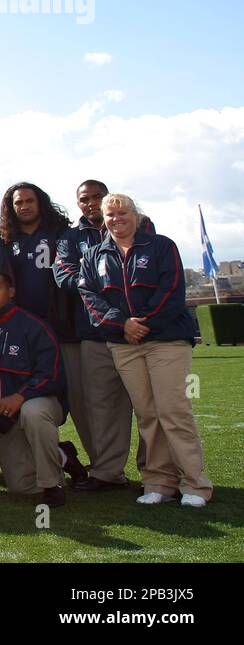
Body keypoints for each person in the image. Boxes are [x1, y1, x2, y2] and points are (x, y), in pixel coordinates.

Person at [79, 193, 212, 507]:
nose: (117, 219)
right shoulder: (94, 255)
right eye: (110, 214)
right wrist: (123, 324)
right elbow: (90, 297)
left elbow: (172, 290)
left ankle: (195, 484)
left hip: (166, 341)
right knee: (148, 415)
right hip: (125, 344)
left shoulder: (161, 246)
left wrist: (144, 323)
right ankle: (158, 482)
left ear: (135, 216)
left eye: (123, 212)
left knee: (173, 411)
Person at [0, 182, 87, 480]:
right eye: (17, 202)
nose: (23, 206)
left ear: (40, 202)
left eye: (29, 200)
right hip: (23, 335)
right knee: (25, 398)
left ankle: (102, 466)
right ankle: (59, 455)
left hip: (62, 330)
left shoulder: (61, 234)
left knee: (77, 400)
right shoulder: (6, 241)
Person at [53, 179, 138, 491]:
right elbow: (63, 274)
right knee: (100, 405)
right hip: (93, 331)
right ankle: (108, 472)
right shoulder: (71, 236)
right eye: (84, 199)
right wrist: (100, 284)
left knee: (147, 407)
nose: (90, 203)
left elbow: (142, 272)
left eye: (96, 197)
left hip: (136, 332)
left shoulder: (138, 226)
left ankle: (159, 472)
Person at [0, 271, 69, 507]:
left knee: (32, 412)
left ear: (11, 291)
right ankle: (65, 457)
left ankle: (52, 484)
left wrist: (20, 396)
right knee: (21, 486)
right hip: (4, 414)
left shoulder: (34, 325)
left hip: (40, 403)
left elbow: (51, 374)